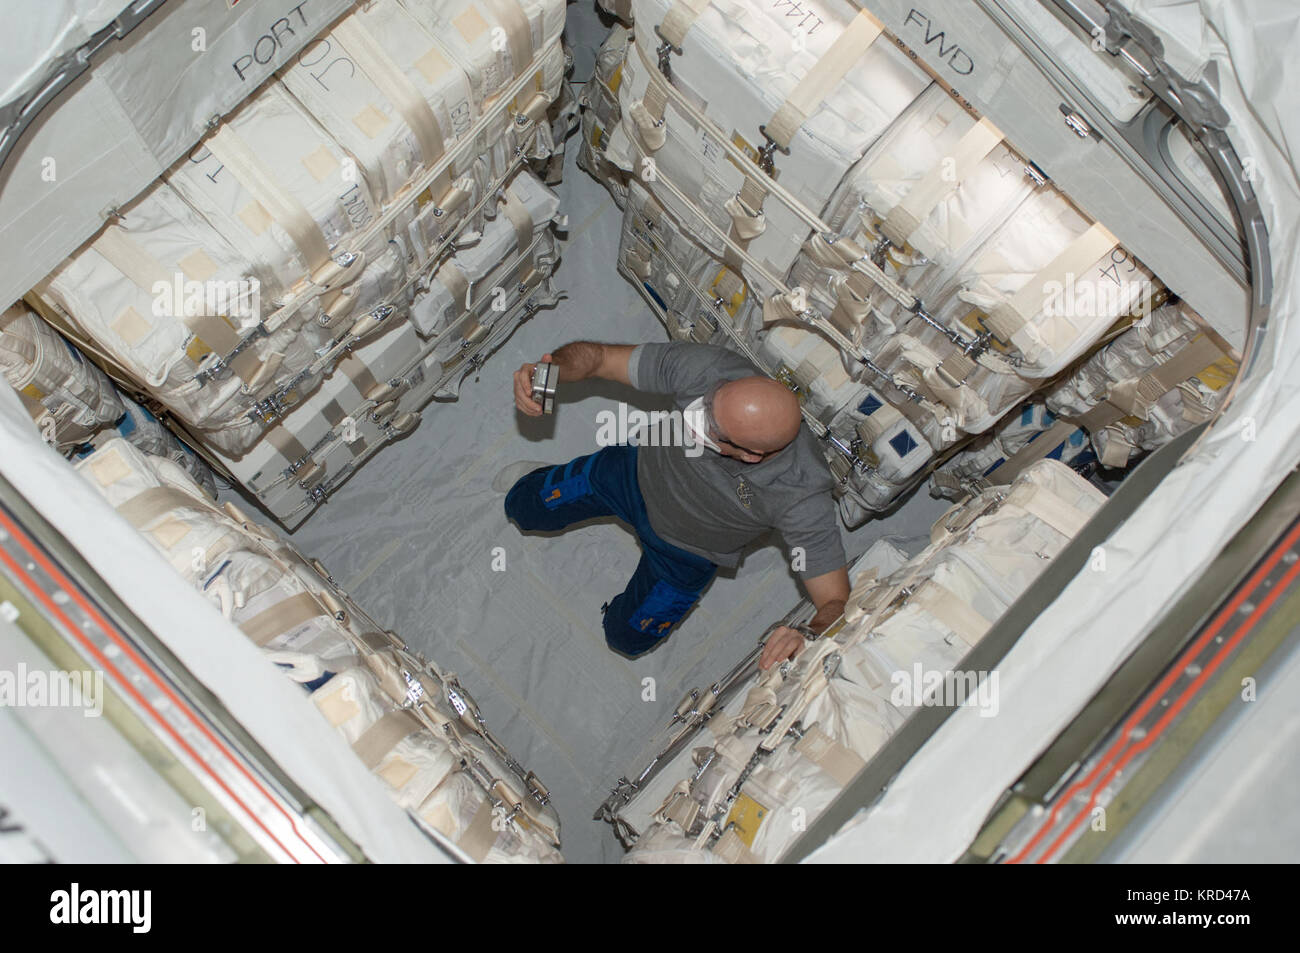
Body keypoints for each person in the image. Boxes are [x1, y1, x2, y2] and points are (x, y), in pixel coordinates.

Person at [500, 339, 849, 669]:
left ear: (750, 454)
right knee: (522, 506)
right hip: (635, 474)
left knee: (625, 639)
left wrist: (808, 633)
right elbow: (599, 358)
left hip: (688, 551)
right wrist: (551, 370)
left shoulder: (801, 492)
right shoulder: (708, 369)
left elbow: (834, 600)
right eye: (710, 401)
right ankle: (542, 480)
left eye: (712, 427)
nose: (696, 413)